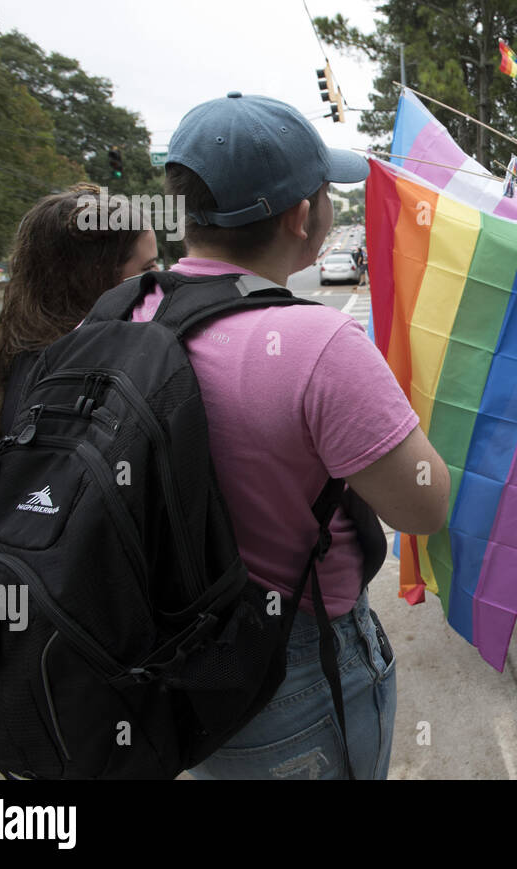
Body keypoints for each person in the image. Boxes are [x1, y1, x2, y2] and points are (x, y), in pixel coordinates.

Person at [151, 91, 448, 779]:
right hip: (295, 667)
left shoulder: (129, 313)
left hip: (180, 657)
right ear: (299, 217)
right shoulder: (319, 342)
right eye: (325, 193)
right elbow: (423, 506)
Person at [0, 183, 158, 450]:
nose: (158, 279)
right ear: (96, 276)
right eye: (148, 267)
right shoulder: (80, 376)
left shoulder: (31, 353)